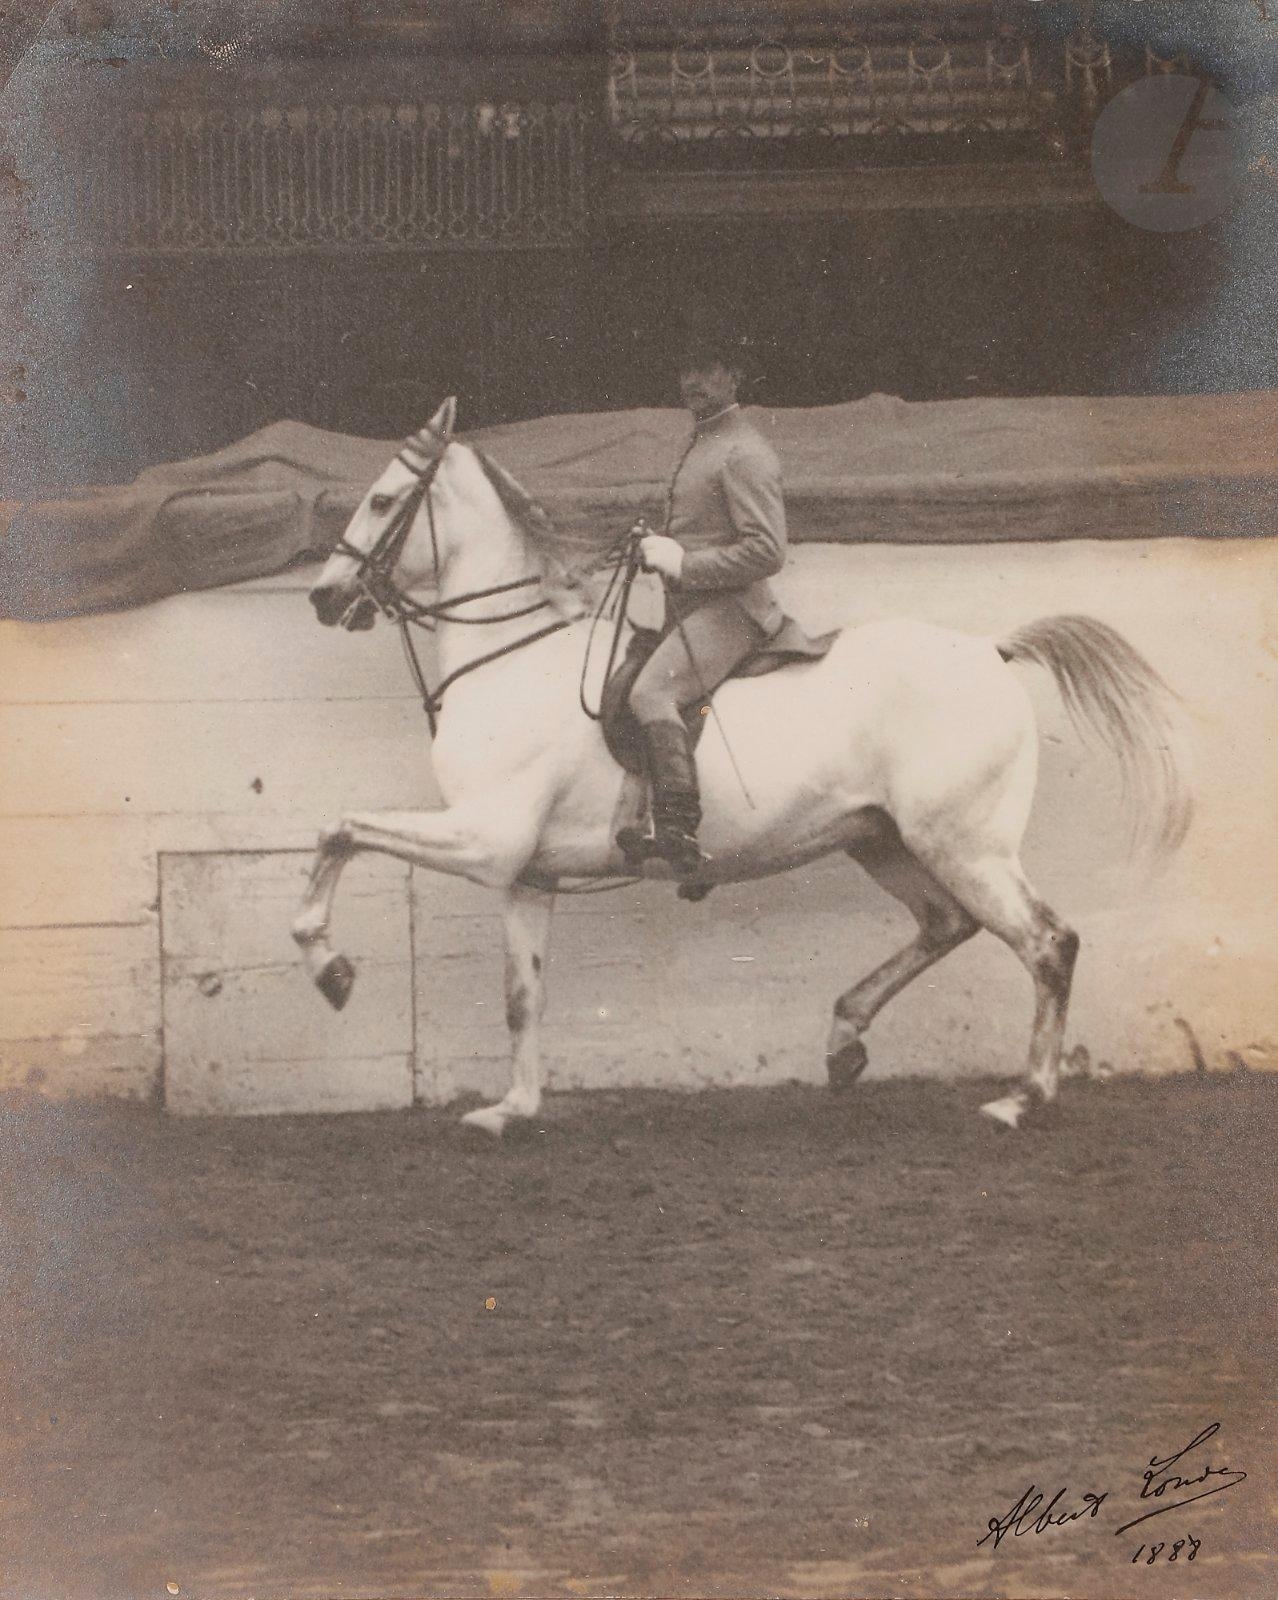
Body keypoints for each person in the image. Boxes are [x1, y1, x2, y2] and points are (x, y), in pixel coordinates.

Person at [616, 334, 789, 878]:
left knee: (651, 691)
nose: (692, 381)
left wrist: (684, 563)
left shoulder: (744, 452)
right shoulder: (702, 441)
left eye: (708, 369)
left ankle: (678, 828)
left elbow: (767, 551)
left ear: (735, 376)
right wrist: (655, 545)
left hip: (735, 609)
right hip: (689, 607)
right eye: (686, 370)